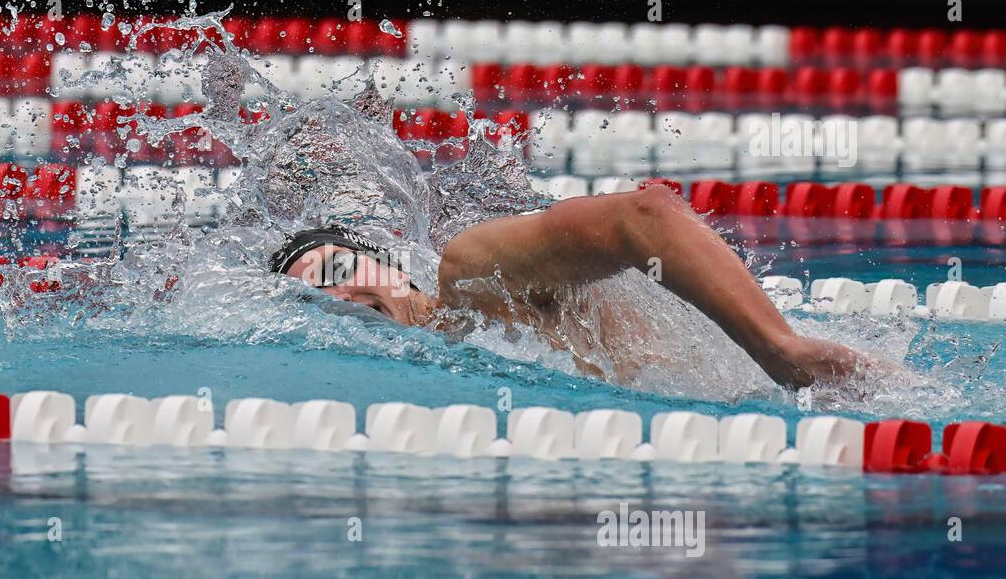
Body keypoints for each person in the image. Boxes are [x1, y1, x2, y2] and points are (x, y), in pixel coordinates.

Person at [269, 184, 865, 390]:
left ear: (395, 268)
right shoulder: (449, 353)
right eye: (317, 299)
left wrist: (781, 350)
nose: (339, 299)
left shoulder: (471, 277)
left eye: (339, 272)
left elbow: (643, 215)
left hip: (816, 390)